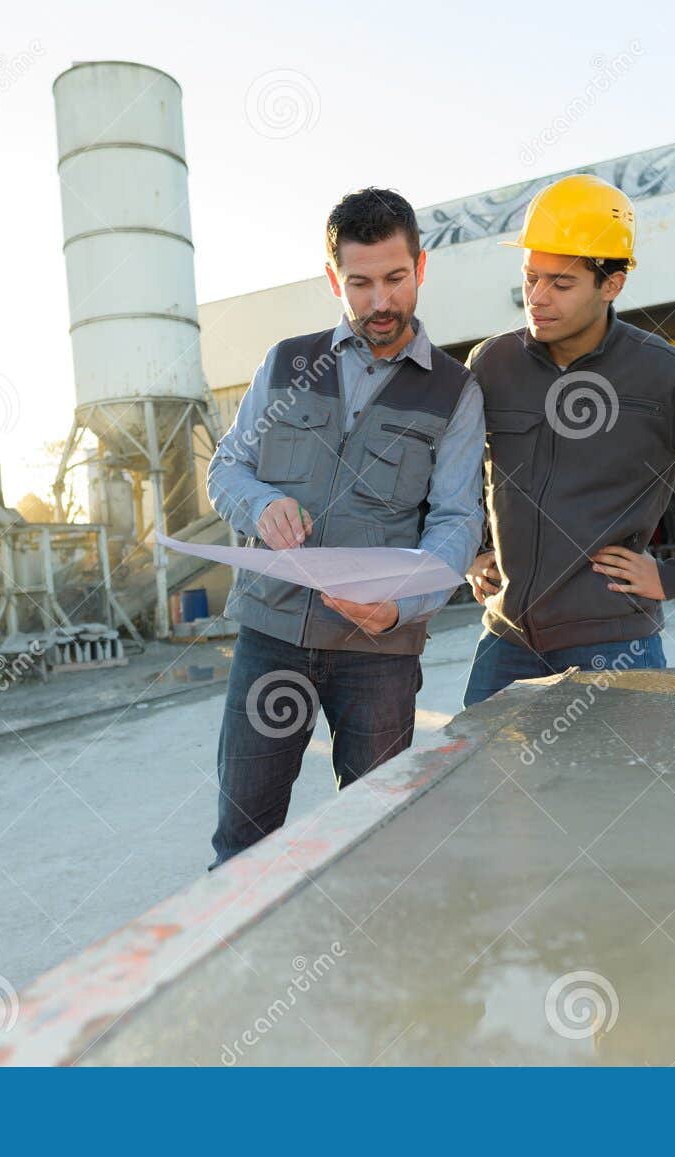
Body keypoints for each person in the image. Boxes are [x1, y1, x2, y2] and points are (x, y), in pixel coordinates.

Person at [205, 188, 484, 868]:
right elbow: (227, 469)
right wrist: (258, 504)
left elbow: (457, 522)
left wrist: (398, 608)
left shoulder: (455, 392)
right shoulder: (285, 365)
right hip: (271, 639)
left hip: (378, 655)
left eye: (394, 279)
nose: (380, 301)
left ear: (420, 267)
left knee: (378, 845)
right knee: (243, 843)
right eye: (360, 283)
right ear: (335, 279)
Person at [462, 174, 675, 707]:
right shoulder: (491, 364)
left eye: (561, 284)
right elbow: (460, 471)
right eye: (531, 278)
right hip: (506, 642)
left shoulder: (668, 377)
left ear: (611, 284)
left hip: (614, 644)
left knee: (617, 792)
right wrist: (473, 550)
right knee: (485, 788)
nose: (538, 299)